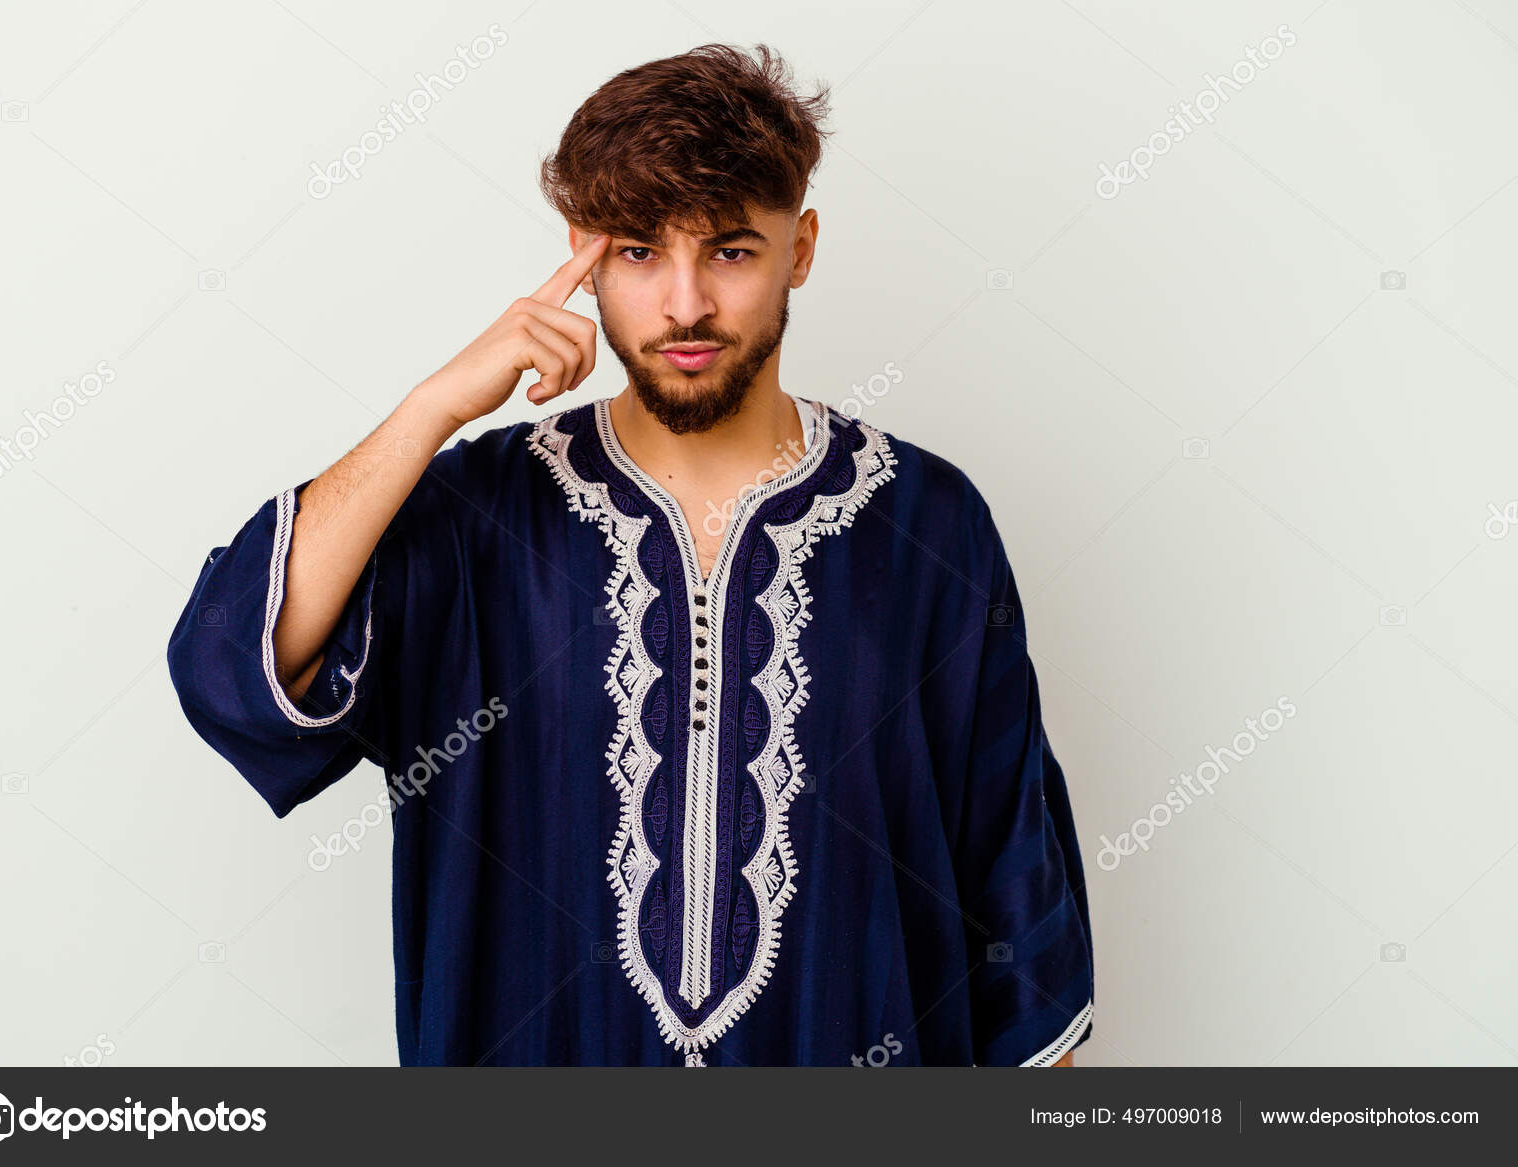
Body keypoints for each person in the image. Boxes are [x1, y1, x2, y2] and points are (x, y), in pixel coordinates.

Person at [167, 43, 1093, 1067]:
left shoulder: (928, 521)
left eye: (731, 251)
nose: (686, 304)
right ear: (583, 253)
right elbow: (240, 671)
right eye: (641, 252)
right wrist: (431, 409)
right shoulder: (477, 515)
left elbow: (1016, 911)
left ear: (802, 247)